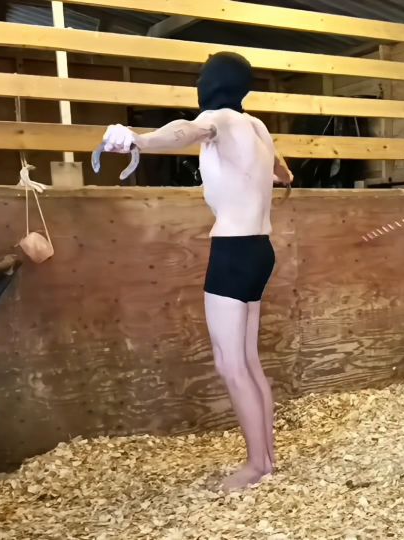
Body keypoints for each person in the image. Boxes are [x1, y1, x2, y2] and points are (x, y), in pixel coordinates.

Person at [100, 51, 293, 491]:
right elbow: (284, 173)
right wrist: (260, 176)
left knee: (231, 364)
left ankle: (255, 466)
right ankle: (266, 459)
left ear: (214, 81)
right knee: (248, 360)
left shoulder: (217, 119)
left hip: (231, 251)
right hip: (259, 249)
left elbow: (186, 130)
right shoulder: (258, 127)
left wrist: (136, 140)